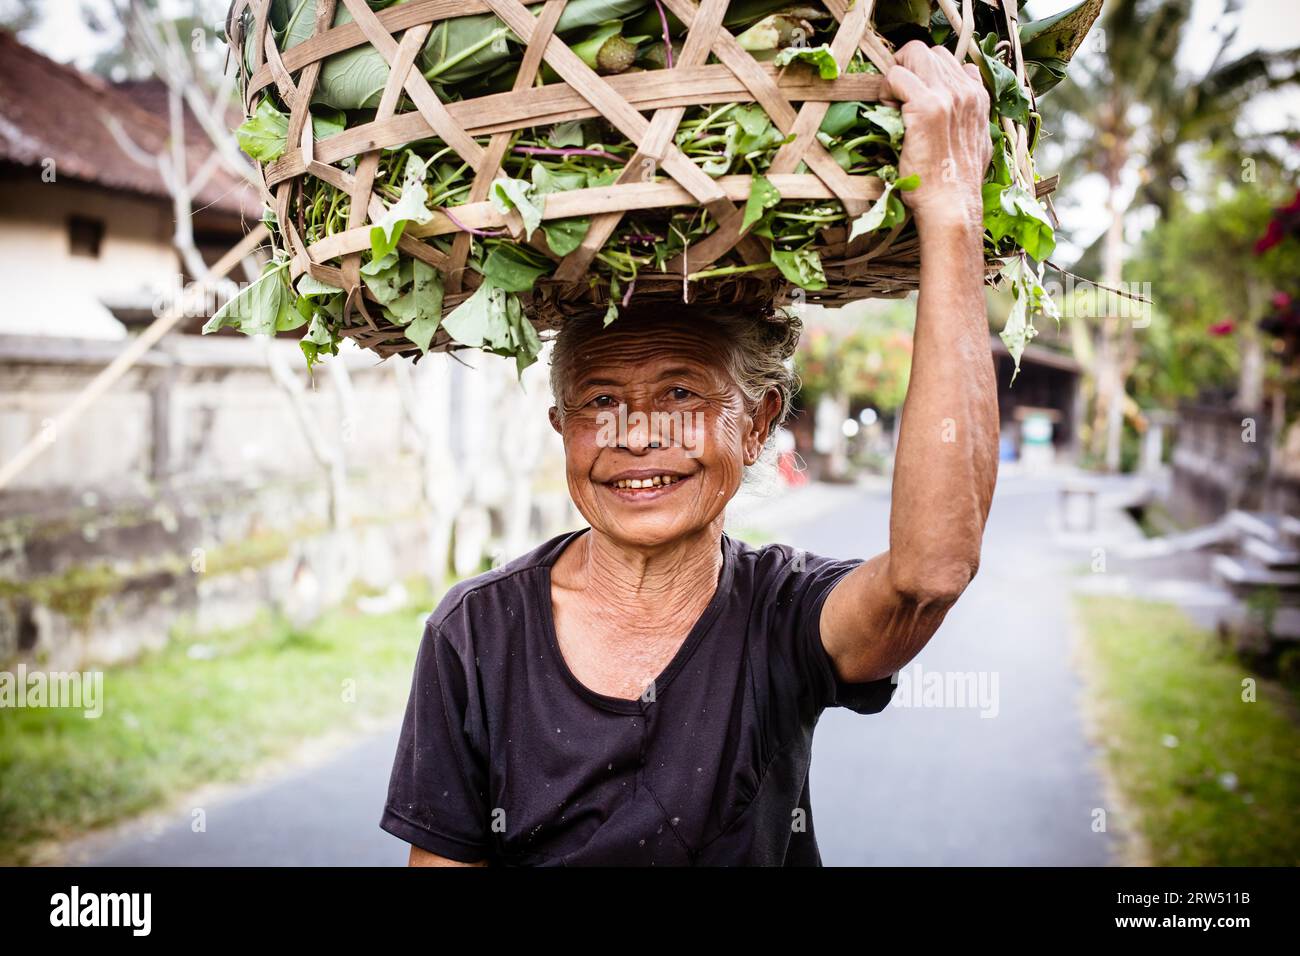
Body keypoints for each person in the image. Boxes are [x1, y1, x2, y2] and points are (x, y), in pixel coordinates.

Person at [379, 41, 998, 866]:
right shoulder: (477, 632)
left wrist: (952, 216)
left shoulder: (785, 619)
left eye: (679, 394)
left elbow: (929, 573)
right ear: (561, 425)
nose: (638, 435)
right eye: (601, 402)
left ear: (756, 423)